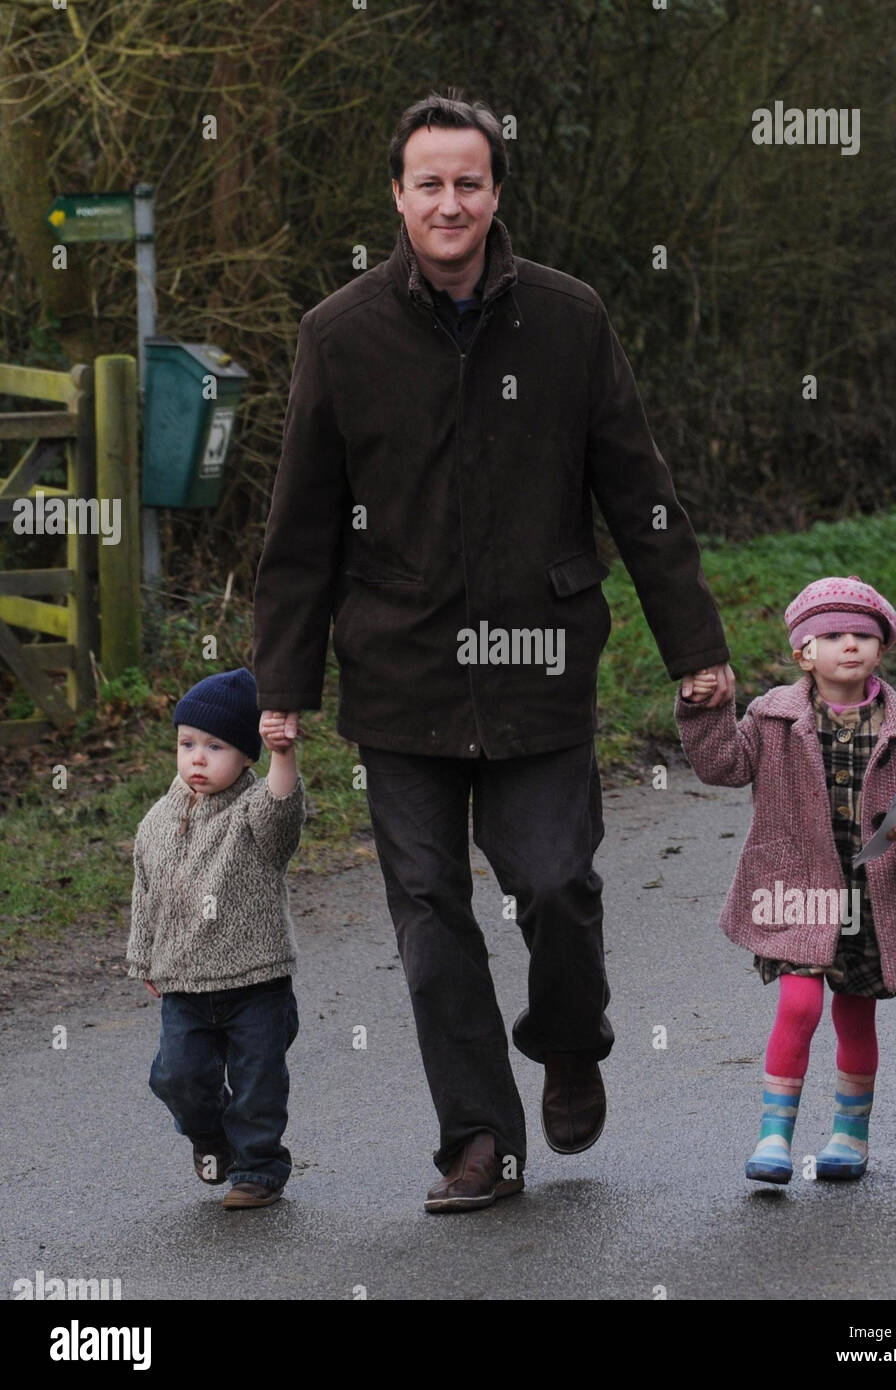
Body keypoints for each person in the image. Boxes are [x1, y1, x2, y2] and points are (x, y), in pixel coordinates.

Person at [252, 88, 734, 1213]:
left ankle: (570, 1040)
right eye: (429, 182)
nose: (450, 201)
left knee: (556, 886)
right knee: (429, 918)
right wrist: (283, 684)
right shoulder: (340, 334)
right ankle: (479, 1140)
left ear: (496, 194)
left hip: (540, 662)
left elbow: (639, 492)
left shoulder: (569, 320)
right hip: (400, 673)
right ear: (398, 196)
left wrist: (694, 647)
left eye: (469, 181)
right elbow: (300, 529)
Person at [675, 576, 896, 1185]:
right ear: (804, 653)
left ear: (881, 649)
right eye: (832, 636)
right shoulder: (773, 716)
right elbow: (723, 764)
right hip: (796, 890)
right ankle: (774, 1138)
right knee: (799, 1005)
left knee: (856, 1016)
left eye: (863, 635)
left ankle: (848, 1136)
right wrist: (705, 708)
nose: (849, 645)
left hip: (871, 898)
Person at [126, 668, 307, 1209]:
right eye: (187, 744)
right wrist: (145, 960)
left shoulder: (253, 813)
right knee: (177, 1077)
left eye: (216, 746)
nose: (197, 758)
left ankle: (259, 1170)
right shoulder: (157, 820)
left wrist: (283, 755)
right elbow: (145, 893)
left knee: (258, 1085)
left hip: (257, 981)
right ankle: (210, 1140)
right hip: (183, 982)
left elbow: (282, 808)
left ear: (246, 757)